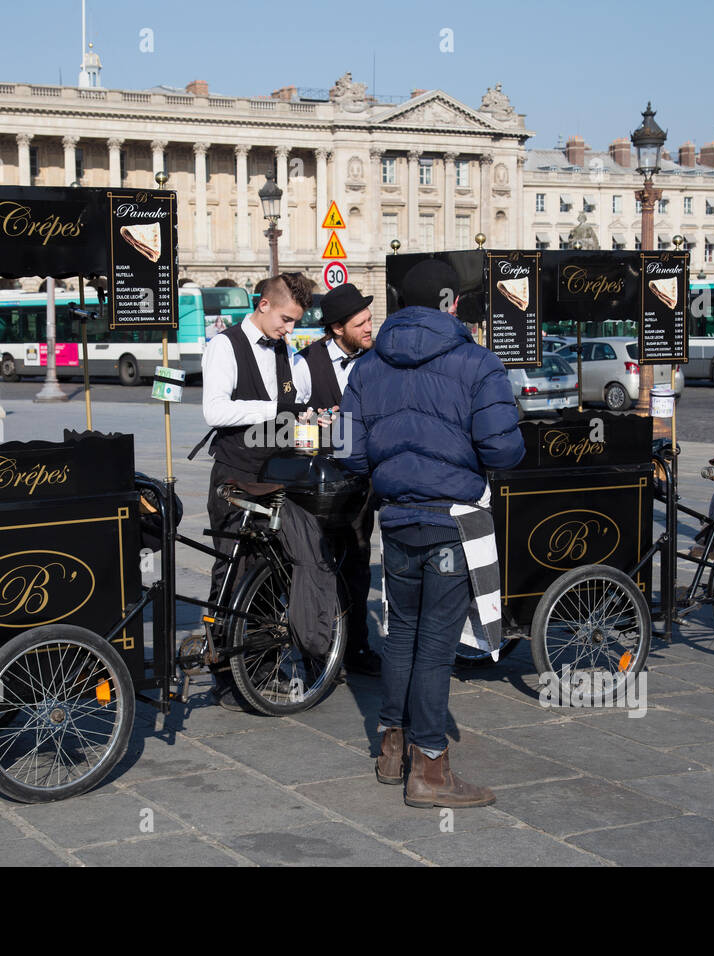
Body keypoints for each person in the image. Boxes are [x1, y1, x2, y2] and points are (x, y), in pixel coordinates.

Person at [341, 259, 524, 808]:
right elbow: (503, 450)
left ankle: (391, 747)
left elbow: (348, 454)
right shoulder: (478, 362)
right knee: (436, 643)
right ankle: (430, 770)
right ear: (451, 303)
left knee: (402, 633)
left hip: (396, 519)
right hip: (452, 520)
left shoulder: (367, 366)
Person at [197, 272, 315, 705]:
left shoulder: (291, 354)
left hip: (278, 477)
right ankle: (224, 674)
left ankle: (262, 669)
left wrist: (311, 424)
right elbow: (215, 411)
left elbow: (297, 408)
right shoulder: (224, 345)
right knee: (231, 570)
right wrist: (278, 408)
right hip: (235, 476)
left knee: (271, 575)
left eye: (296, 322)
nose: (290, 329)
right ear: (262, 304)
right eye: (286, 318)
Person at [297, 282, 379, 675]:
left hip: (362, 485)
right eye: (360, 323)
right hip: (321, 486)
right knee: (318, 566)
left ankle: (358, 647)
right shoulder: (304, 364)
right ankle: (318, 652)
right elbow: (290, 429)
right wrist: (317, 429)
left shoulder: (376, 360)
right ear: (336, 328)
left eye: (369, 320)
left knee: (359, 564)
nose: (369, 328)